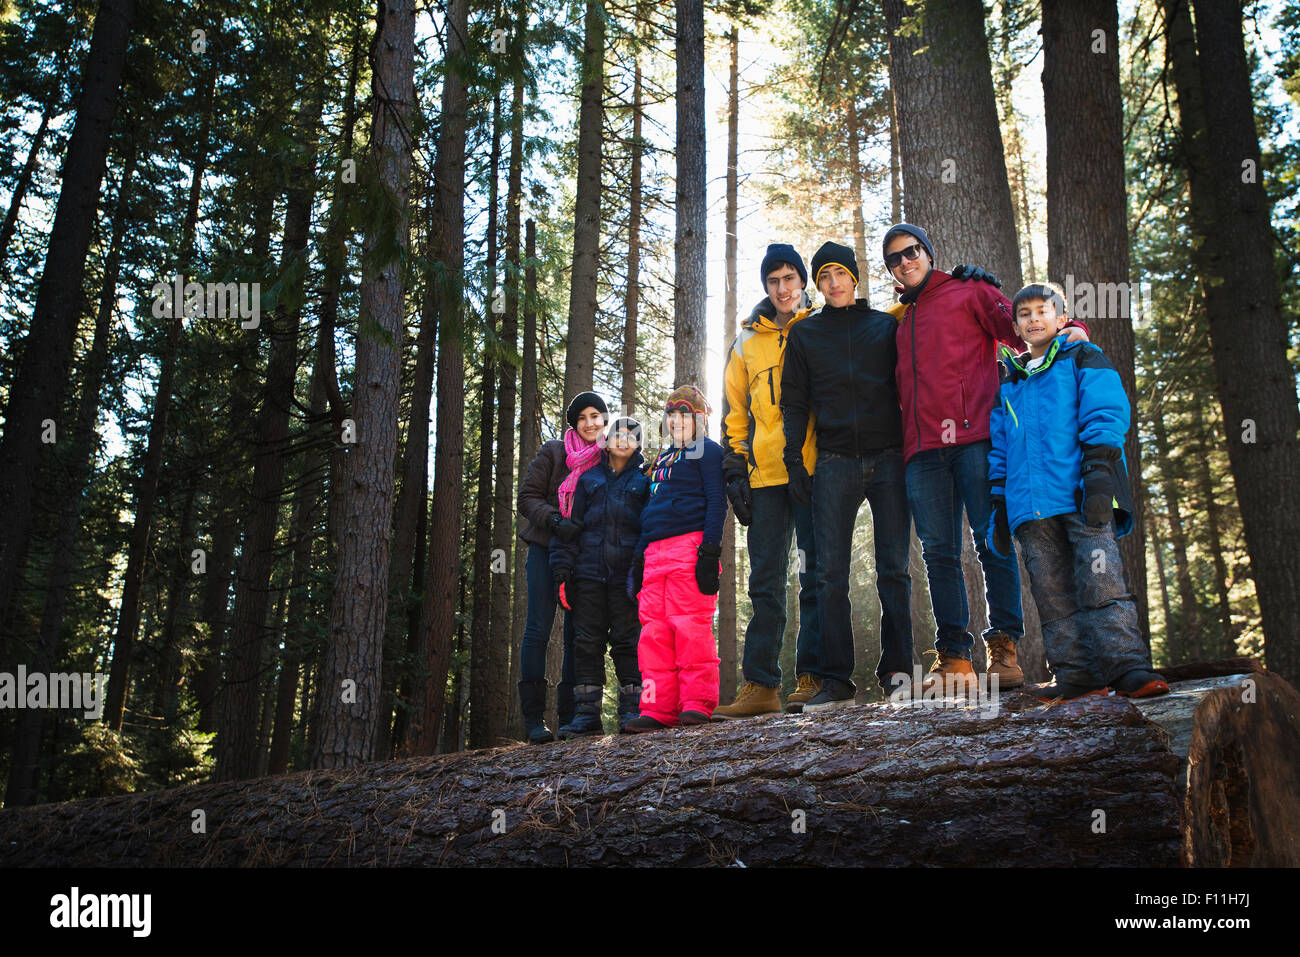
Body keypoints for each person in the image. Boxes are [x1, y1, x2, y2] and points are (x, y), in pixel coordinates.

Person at [883, 223, 1090, 694]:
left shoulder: (970, 290)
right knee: (937, 553)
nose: (905, 261)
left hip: (976, 440)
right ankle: (955, 657)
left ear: (928, 253)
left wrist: (1070, 329)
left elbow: (1023, 333)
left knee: (990, 541)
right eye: (894, 258)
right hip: (922, 452)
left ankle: (1005, 651)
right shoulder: (900, 320)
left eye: (911, 251)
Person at [988, 283, 1168, 700]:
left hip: (1081, 493)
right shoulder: (1009, 383)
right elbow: (1000, 448)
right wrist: (998, 502)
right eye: (1025, 315)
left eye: (1043, 311)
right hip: (1029, 508)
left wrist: (1100, 475)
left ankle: (1127, 668)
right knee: (1050, 593)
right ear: (1015, 326)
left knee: (1099, 579)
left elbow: (1105, 413)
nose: (1034, 319)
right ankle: (1078, 676)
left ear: (1062, 319)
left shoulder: (1082, 357)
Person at [780, 241, 914, 711]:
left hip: (890, 458)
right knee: (828, 574)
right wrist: (794, 461)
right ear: (816, 284)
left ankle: (899, 674)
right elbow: (793, 403)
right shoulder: (805, 334)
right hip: (833, 462)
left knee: (894, 570)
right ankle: (835, 680)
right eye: (824, 276)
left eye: (840, 273)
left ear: (855, 278)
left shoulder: (884, 326)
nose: (833, 283)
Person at [714, 244, 824, 719]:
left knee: (815, 577)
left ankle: (814, 677)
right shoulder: (745, 342)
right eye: (774, 280)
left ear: (803, 282)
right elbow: (735, 412)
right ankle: (761, 685)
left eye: (790, 278)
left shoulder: (821, 328)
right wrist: (735, 468)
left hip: (815, 472)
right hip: (764, 479)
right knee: (765, 584)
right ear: (767, 287)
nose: (783, 288)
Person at [623, 386, 726, 732]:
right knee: (653, 634)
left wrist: (710, 551)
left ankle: (696, 703)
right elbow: (649, 512)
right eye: (673, 416)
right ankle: (657, 708)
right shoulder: (662, 460)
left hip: (689, 549)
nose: (678, 422)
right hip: (654, 556)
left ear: (699, 420)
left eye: (686, 415)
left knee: (690, 628)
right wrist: (638, 560)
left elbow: (716, 501)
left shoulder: (708, 452)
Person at [515, 391, 608, 743]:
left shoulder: (606, 459)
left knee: (576, 635)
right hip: (544, 548)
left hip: (583, 557)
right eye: (583, 417)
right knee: (538, 629)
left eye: (596, 416)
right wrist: (555, 519)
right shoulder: (554, 452)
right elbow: (527, 498)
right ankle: (534, 720)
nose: (590, 423)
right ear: (574, 422)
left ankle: (571, 716)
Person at [550, 417, 650, 735]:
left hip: (628, 579)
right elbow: (572, 528)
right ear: (606, 441)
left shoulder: (644, 483)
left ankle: (633, 710)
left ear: (638, 446)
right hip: (588, 576)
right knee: (587, 643)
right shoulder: (588, 480)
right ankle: (586, 715)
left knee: (628, 642)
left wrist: (643, 570)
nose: (623, 440)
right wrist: (563, 570)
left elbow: (649, 529)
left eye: (631, 437)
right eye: (617, 434)